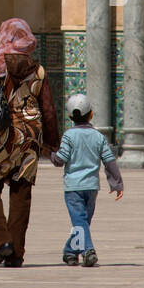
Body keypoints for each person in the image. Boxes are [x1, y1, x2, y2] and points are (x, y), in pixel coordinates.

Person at [0, 18, 59, 267]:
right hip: (30, 136)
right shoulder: (38, 69)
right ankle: (16, 253)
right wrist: (53, 143)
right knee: (21, 192)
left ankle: (2, 241)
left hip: (1, 136)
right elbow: (49, 109)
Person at [51, 92, 123, 266]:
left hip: (73, 187)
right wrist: (117, 184)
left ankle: (88, 251)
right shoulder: (99, 137)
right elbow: (109, 161)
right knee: (83, 220)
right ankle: (70, 252)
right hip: (91, 187)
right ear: (91, 114)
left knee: (80, 220)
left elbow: (60, 159)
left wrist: (52, 155)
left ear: (69, 116)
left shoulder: (69, 136)